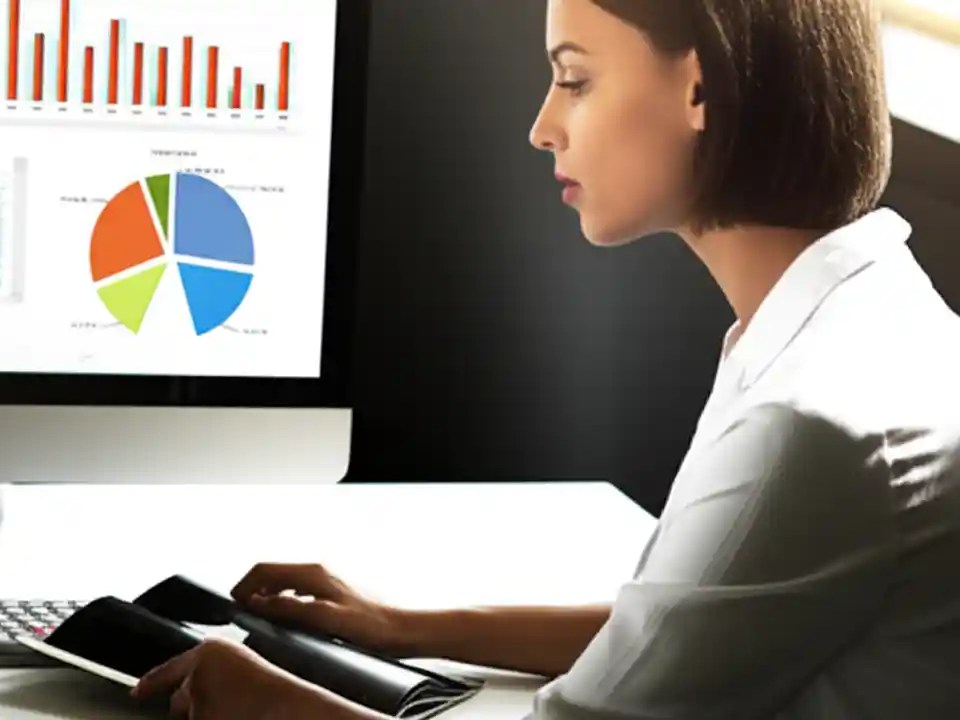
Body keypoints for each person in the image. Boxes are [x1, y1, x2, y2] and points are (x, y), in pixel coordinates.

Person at [131, 0, 960, 717]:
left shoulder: (809, 427)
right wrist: (405, 625)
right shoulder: (859, 314)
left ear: (700, 85)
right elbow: (684, 628)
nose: (542, 125)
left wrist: (272, 702)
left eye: (575, 78)